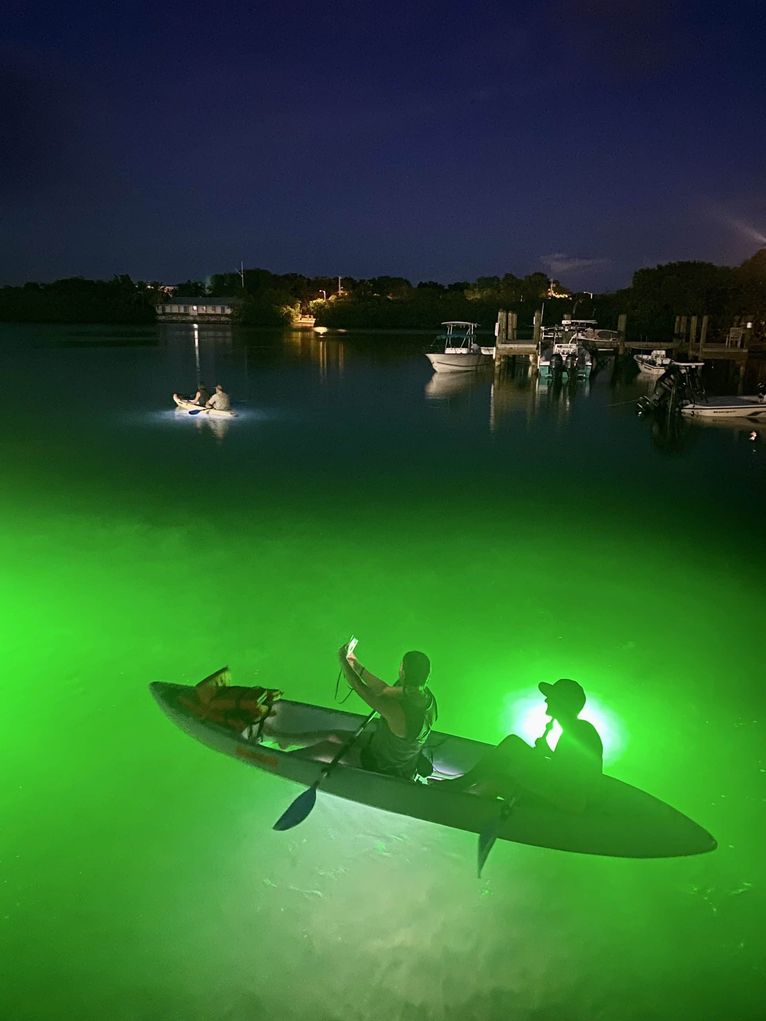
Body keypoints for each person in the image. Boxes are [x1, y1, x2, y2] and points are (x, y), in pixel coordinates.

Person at [264, 644, 437, 780]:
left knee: (326, 748)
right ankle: (283, 739)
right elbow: (383, 689)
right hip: (382, 745)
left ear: (403, 672)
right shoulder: (423, 695)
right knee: (333, 735)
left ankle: (279, 761)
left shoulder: (398, 713)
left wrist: (343, 662)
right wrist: (354, 662)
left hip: (384, 763)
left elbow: (363, 690)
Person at [442, 678, 603, 813]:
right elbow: (569, 767)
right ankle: (463, 785)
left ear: (563, 703)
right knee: (513, 745)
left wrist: (534, 766)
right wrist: (547, 753)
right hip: (561, 793)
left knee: (495, 782)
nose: (546, 700)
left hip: (565, 803)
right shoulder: (577, 730)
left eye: (552, 697)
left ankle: (459, 796)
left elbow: (570, 778)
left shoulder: (578, 732)